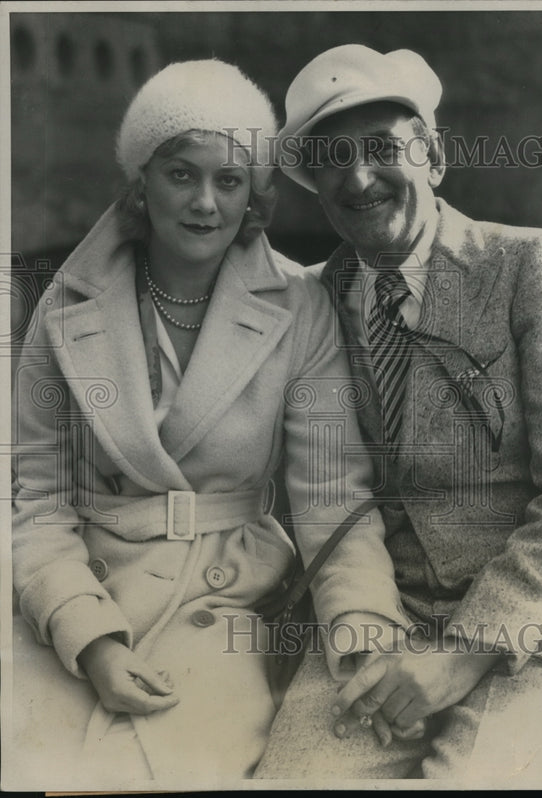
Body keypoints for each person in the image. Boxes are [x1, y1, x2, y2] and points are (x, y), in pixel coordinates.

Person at [9, 58, 410, 793]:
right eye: (180, 175)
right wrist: (86, 633)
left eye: (229, 181)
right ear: (141, 180)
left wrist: (361, 634)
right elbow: (31, 499)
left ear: (254, 195)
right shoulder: (64, 307)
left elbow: (331, 501)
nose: (204, 204)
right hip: (72, 594)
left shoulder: (300, 308)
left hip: (225, 604)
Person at [255, 45, 542, 782]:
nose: (360, 177)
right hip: (384, 625)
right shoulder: (313, 301)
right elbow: (333, 497)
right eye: (333, 159)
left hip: (539, 628)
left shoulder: (536, 265)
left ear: (433, 156)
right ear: (314, 186)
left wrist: (461, 654)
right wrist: (368, 635)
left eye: (382, 148)